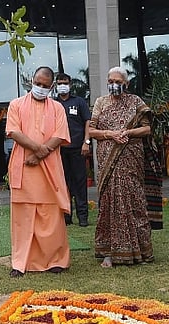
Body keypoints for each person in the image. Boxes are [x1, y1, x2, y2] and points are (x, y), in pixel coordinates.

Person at [8, 67, 71, 277]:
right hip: (25, 167)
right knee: (23, 217)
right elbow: (14, 131)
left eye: (45, 86)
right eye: (38, 83)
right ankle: (20, 263)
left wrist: (40, 155)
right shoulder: (15, 104)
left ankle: (55, 260)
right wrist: (38, 149)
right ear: (31, 81)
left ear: (51, 87)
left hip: (49, 169)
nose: (41, 88)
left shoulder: (57, 108)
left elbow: (60, 135)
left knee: (50, 215)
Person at [90, 66, 154, 267]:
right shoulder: (101, 102)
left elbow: (147, 128)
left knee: (134, 201)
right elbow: (92, 130)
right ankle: (109, 252)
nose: (113, 85)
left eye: (118, 82)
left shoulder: (135, 102)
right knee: (109, 203)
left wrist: (127, 133)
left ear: (126, 83)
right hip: (108, 159)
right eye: (110, 81)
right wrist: (110, 134)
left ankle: (140, 251)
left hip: (130, 159)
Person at [55, 72, 91, 226]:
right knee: (63, 184)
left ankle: (82, 217)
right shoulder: (53, 103)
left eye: (65, 83)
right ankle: (66, 216)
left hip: (78, 148)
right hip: (59, 150)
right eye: (59, 83)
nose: (62, 85)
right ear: (55, 85)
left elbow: (88, 122)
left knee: (80, 183)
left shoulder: (79, 102)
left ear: (70, 84)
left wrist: (86, 142)